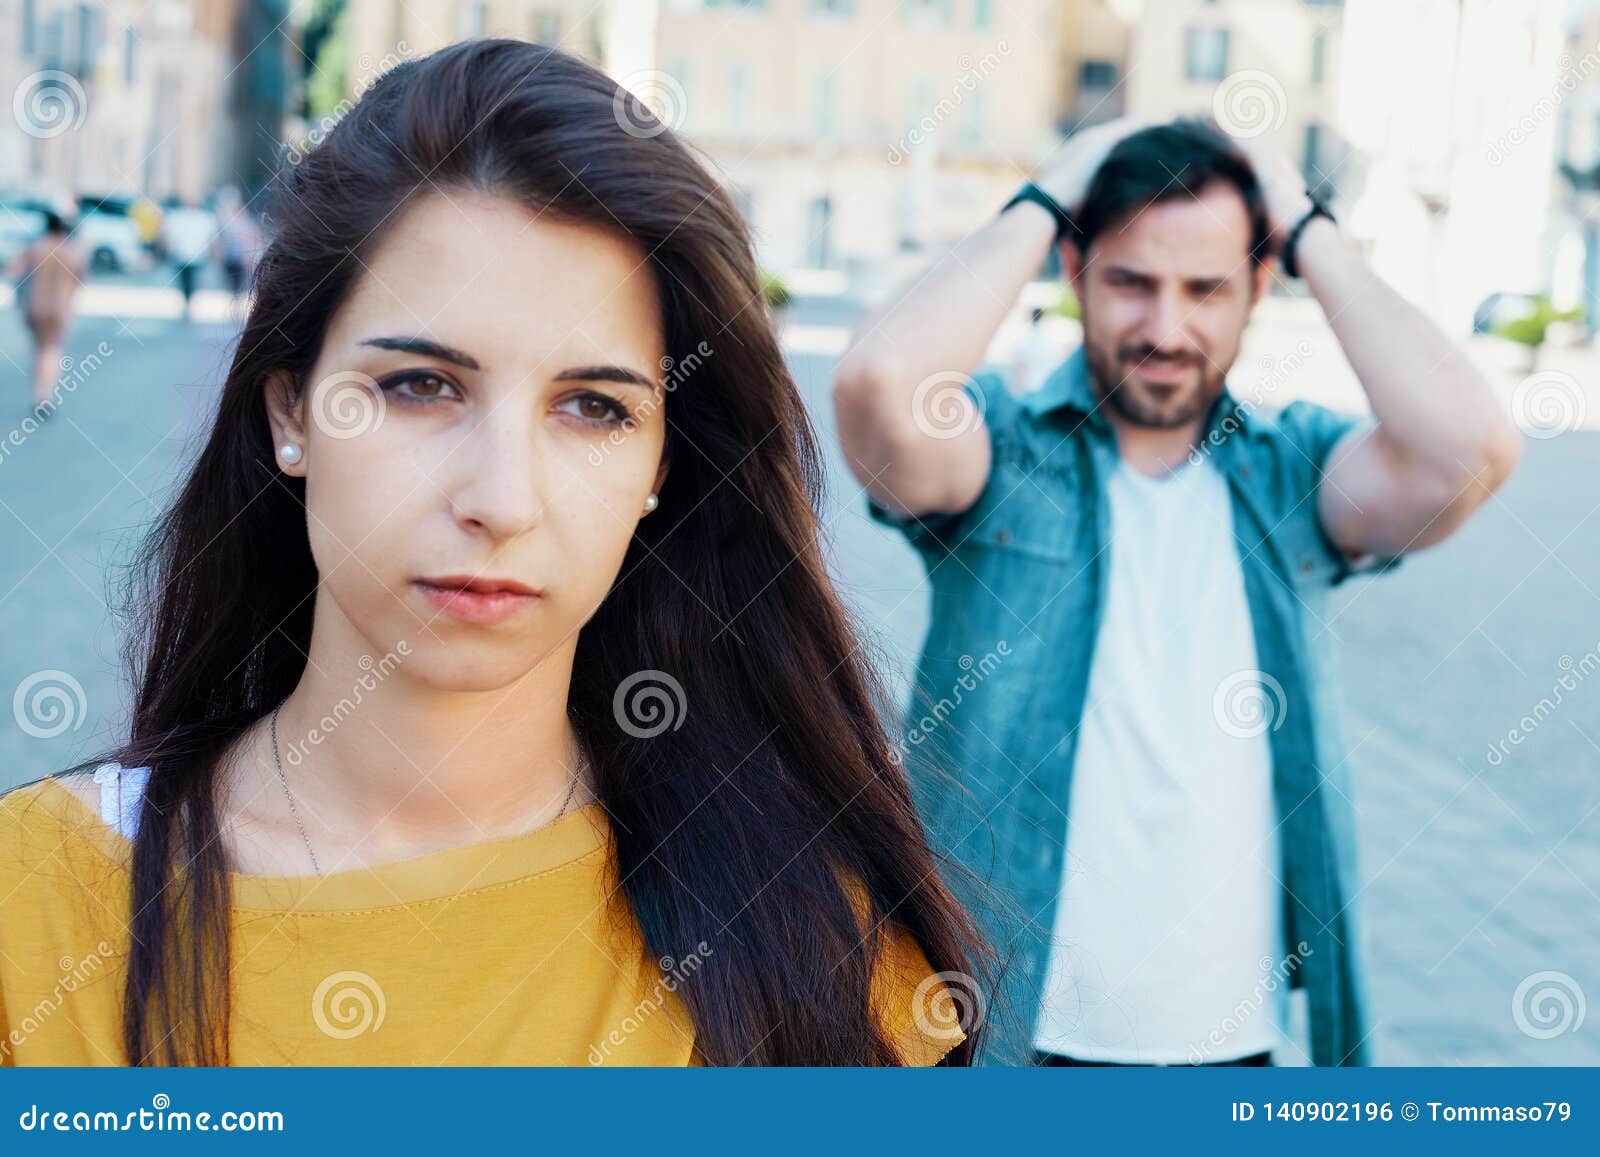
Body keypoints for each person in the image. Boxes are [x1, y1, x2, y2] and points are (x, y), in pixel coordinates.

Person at [0, 39, 988, 1067]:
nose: (503, 500)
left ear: (662, 462)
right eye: (422, 385)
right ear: (293, 410)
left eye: (594, 406)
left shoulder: (822, 949)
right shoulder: (32, 912)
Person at [832, 117, 1521, 1066]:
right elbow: (879, 384)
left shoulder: (1294, 477)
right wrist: (1048, 191)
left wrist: (1305, 222)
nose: (1166, 328)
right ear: (1074, 271)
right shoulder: (1000, 459)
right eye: (1131, 282)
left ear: (1256, 290)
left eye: (1205, 289)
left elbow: (1470, 447)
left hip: (1230, 1049)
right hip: (1000, 1038)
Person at [6, 209, 86, 416]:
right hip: (58, 310)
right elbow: (80, 280)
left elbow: (13, 271)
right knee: (52, 350)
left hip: (33, 307)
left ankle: (37, 392)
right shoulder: (71, 251)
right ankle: (45, 395)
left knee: (39, 349)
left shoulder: (35, 248)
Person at [162, 197, 215, 320]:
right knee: (183, 279)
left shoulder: (204, 218)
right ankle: (186, 299)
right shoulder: (178, 217)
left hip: (197, 256)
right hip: (181, 255)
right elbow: (170, 235)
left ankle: (189, 300)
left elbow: (210, 237)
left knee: (192, 280)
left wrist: (213, 252)